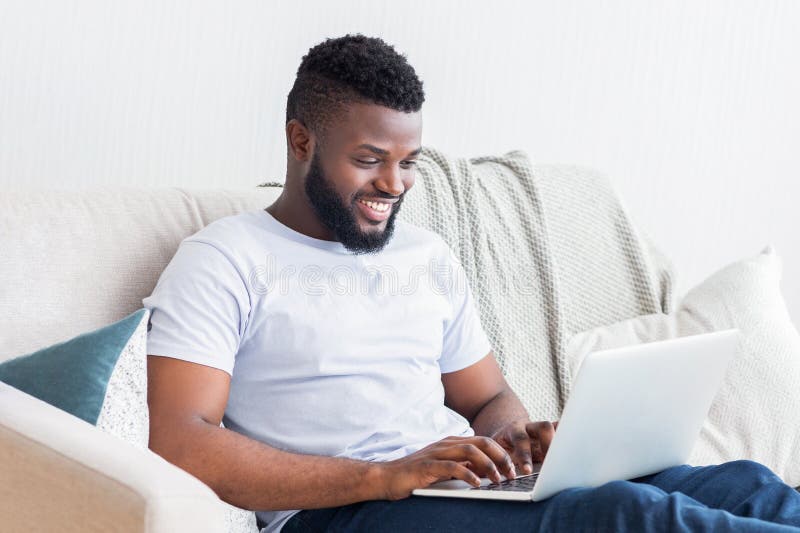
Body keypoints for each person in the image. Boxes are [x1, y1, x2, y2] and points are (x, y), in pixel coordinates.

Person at [143, 34, 800, 533]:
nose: (394, 185)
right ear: (300, 140)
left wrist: (515, 439)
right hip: (341, 512)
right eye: (369, 159)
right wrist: (385, 475)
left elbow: (488, 397)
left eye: (407, 163)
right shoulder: (224, 260)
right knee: (626, 514)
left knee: (748, 487)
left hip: (452, 487)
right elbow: (180, 440)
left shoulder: (427, 256)